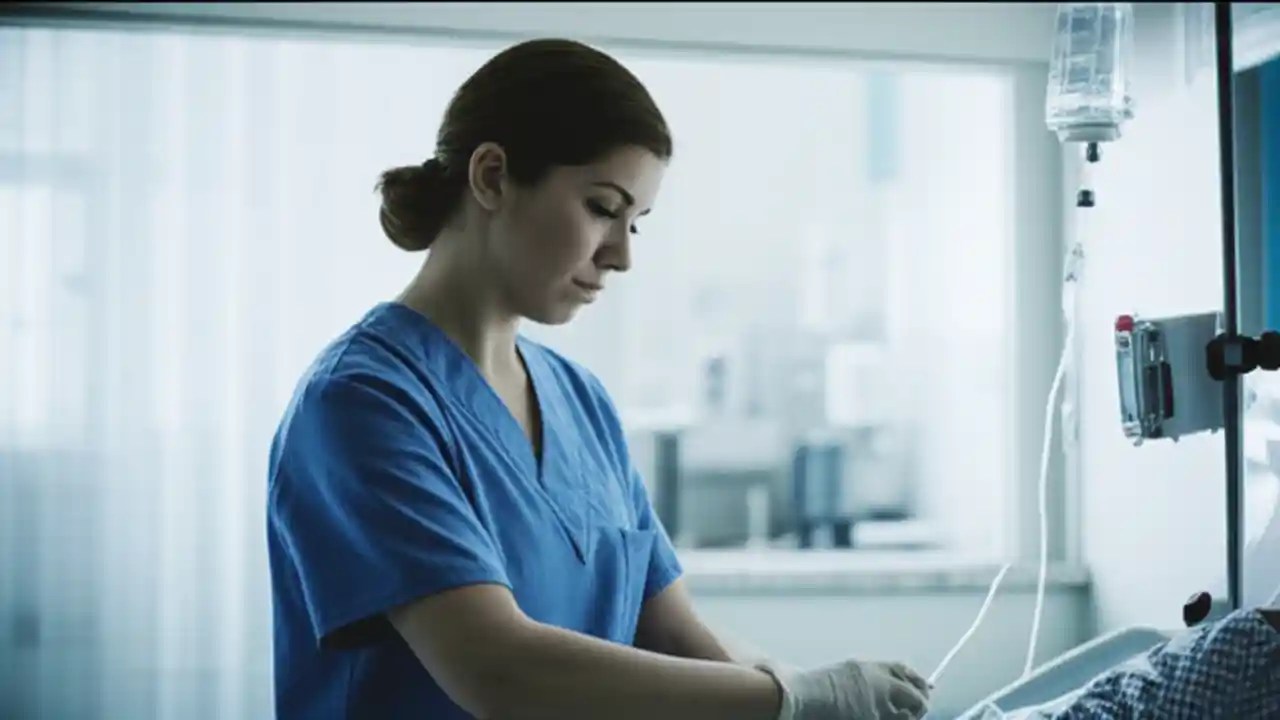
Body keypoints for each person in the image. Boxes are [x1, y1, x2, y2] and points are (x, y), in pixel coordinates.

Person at [266, 37, 932, 720]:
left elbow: (673, 635)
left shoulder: (579, 401)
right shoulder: (361, 403)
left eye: (636, 224)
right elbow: (499, 671)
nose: (619, 256)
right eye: (602, 209)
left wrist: (810, 691)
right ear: (492, 176)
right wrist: (791, 701)